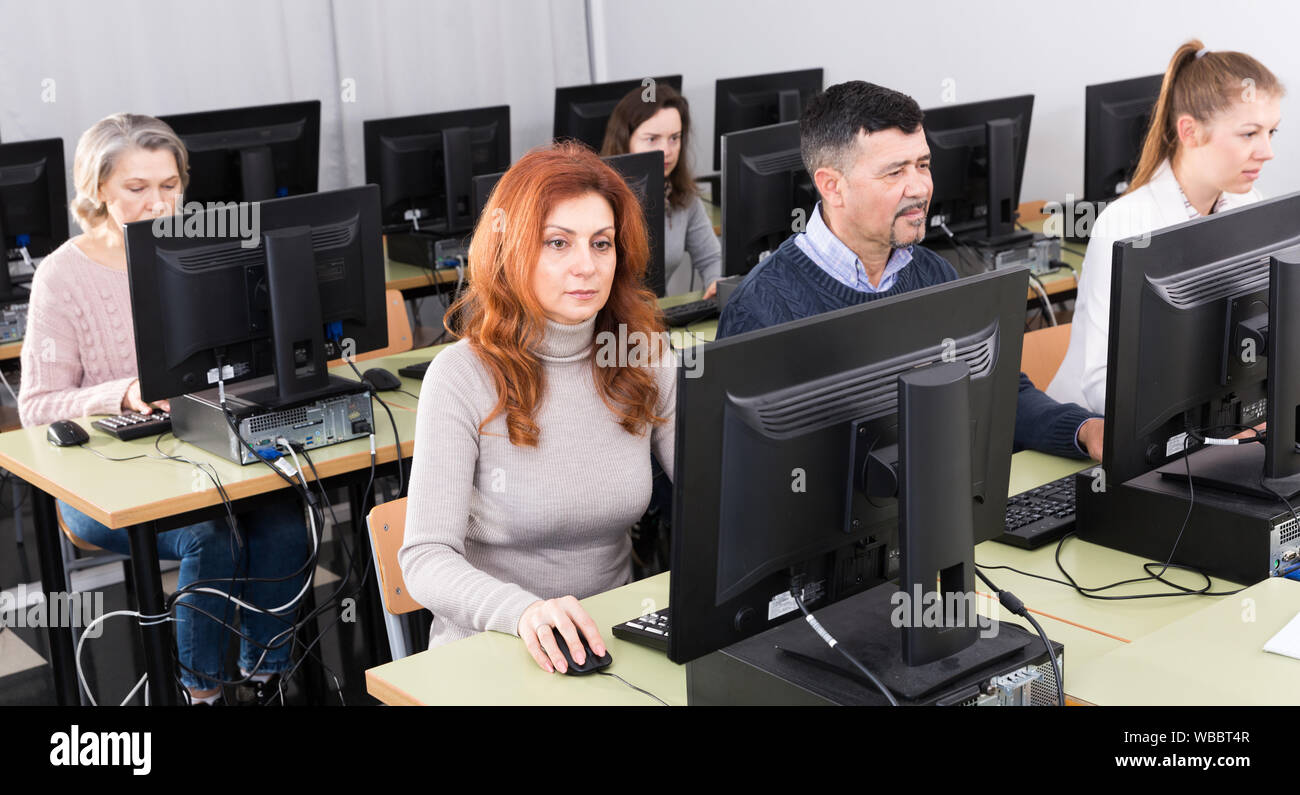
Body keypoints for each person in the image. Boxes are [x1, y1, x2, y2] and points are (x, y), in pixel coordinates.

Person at [19, 113, 310, 705]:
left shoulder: (205, 248)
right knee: (212, 535)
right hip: (101, 486)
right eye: (137, 188)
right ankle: (197, 694)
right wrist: (121, 392)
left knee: (284, 519)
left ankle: (263, 679)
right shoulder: (61, 276)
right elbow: (37, 407)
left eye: (170, 185)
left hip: (203, 454)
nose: (160, 203)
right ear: (98, 189)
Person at [399, 142, 677, 673]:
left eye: (602, 244)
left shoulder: (645, 358)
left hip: (608, 647)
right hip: (491, 647)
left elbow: (714, 497)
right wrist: (522, 612)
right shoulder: (460, 377)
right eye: (557, 243)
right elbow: (424, 559)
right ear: (512, 251)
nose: (586, 267)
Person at [717, 81, 1103, 461]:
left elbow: (997, 391)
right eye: (894, 172)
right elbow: (739, 474)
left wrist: (1082, 429)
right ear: (832, 186)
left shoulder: (933, 274)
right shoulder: (761, 309)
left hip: (933, 508)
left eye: (922, 165)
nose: (919, 187)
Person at [1047, 40, 1282, 414]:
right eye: (1249, 134)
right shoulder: (1125, 225)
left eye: (1272, 133)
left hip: (1203, 423)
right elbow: (1100, 383)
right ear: (1189, 132)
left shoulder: (1248, 205)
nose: (1267, 151)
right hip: (1096, 436)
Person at [602, 83, 722, 298]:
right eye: (652, 139)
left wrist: (716, 283)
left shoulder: (682, 197)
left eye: (674, 138)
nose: (667, 151)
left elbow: (711, 258)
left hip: (656, 317)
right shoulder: (598, 204)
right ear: (624, 140)